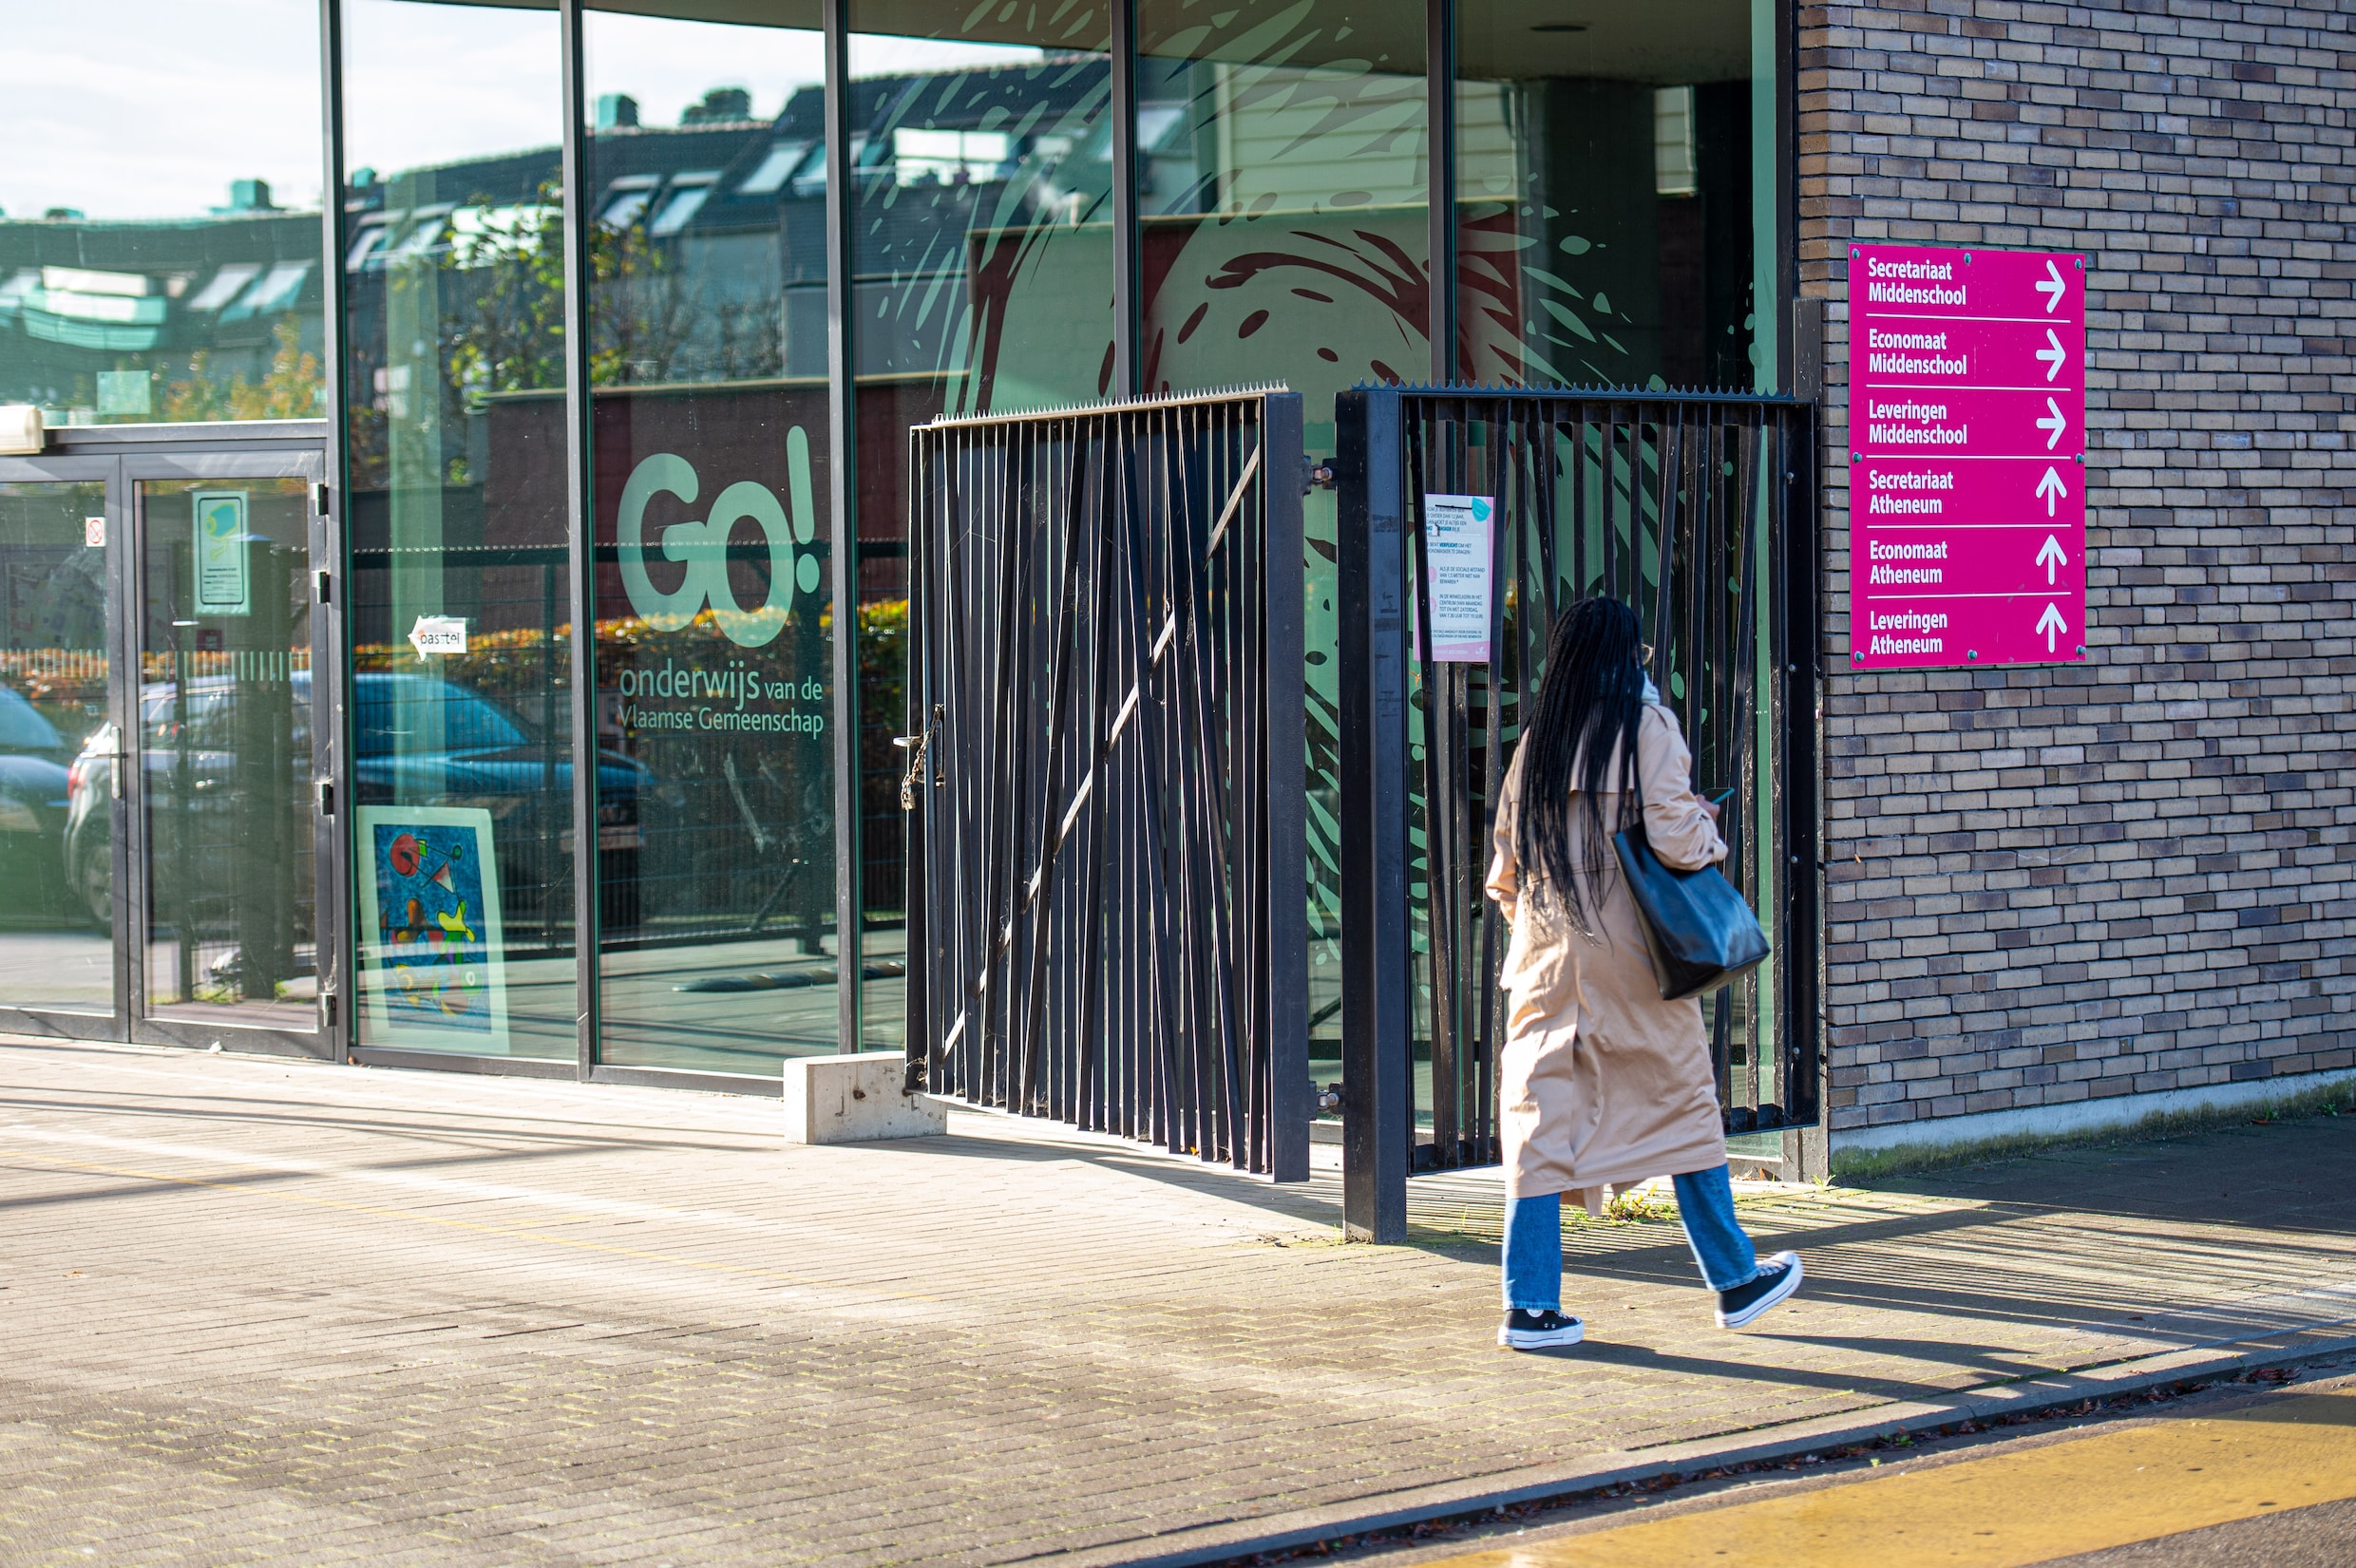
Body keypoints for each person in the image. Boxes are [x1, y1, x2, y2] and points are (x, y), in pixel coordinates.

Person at [1484, 595, 1800, 1351]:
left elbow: (1504, 865)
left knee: (1538, 1125)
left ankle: (1529, 1309)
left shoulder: (1540, 738)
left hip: (1545, 955)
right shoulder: (1646, 724)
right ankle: (1735, 1280)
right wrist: (1708, 827)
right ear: (1626, 656)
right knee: (1686, 1105)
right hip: (1629, 958)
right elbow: (1676, 839)